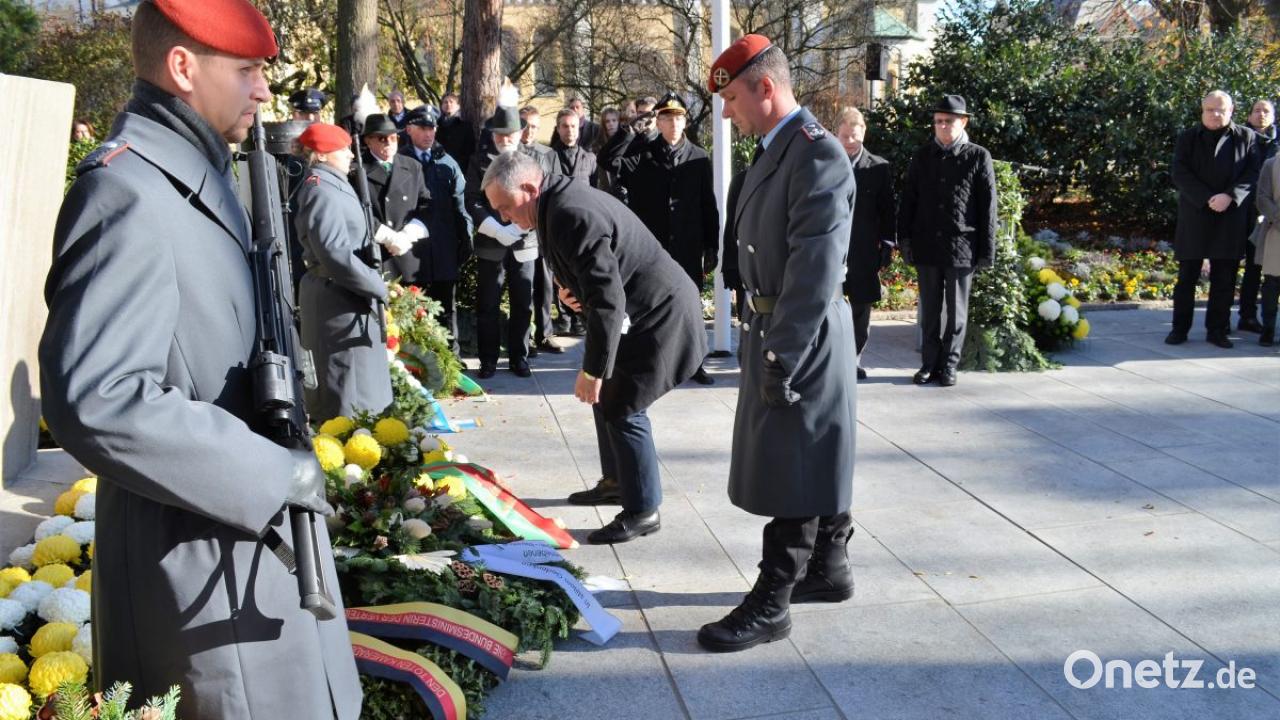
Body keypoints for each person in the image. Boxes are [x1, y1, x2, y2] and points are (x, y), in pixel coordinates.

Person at [38, 1, 361, 716]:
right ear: (183, 68)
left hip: (244, 552)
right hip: (198, 565)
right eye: (246, 70)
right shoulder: (126, 190)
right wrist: (270, 471)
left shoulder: (203, 173)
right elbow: (98, 395)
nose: (264, 90)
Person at [697, 35, 857, 653]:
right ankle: (829, 568)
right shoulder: (780, 148)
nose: (728, 112)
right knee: (809, 452)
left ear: (766, 87)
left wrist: (781, 352)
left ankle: (773, 601)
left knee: (798, 463)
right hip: (778, 324)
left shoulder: (816, 154)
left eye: (733, 97)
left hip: (802, 330)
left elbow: (813, 270)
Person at [482, 151, 707, 543]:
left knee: (624, 404)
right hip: (639, 309)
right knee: (609, 398)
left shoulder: (570, 211)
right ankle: (618, 481)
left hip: (661, 313)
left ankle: (643, 510)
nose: (504, 217)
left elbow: (608, 298)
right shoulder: (554, 205)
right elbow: (597, 276)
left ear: (531, 188)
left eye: (505, 206)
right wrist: (576, 295)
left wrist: (592, 370)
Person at [294, 122, 394, 418]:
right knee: (347, 395)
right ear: (322, 155)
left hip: (347, 296)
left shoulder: (333, 183)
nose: (351, 155)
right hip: (338, 301)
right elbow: (334, 253)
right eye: (343, 149)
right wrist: (376, 285)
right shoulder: (320, 190)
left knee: (361, 390)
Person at [618, 92, 718, 385]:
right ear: (657, 122)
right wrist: (633, 130)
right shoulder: (641, 155)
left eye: (678, 118)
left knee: (691, 306)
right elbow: (610, 162)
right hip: (654, 247)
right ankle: (656, 363)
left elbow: (707, 204)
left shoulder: (699, 157)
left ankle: (695, 362)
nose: (673, 124)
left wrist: (712, 244)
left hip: (688, 245)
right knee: (651, 305)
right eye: (666, 118)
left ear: (685, 122)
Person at [899, 94, 995, 386]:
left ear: (962, 122)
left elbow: (988, 206)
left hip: (961, 247)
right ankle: (929, 364)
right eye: (938, 121)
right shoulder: (923, 155)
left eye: (948, 121)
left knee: (956, 313)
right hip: (927, 244)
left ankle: (949, 365)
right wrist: (904, 239)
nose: (942, 126)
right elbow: (908, 200)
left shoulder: (978, 156)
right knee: (929, 310)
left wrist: (986, 251)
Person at [1167, 90, 1261, 348]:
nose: (1215, 114)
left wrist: (1230, 196)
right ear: (1202, 111)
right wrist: (1208, 198)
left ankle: (1217, 330)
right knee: (1187, 277)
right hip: (1195, 215)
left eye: (1221, 109)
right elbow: (1180, 172)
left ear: (1231, 111)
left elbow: (1253, 172)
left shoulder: (1246, 137)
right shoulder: (1188, 137)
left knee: (1225, 278)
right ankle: (1179, 329)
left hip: (1230, 217)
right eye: (1210, 109)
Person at [465, 101, 541, 378]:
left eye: (509, 133)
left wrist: (520, 229)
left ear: (520, 133)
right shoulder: (479, 160)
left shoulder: (534, 159)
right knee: (488, 304)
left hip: (526, 240)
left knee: (523, 302)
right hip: (491, 242)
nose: (504, 139)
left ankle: (519, 357)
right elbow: (472, 201)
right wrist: (498, 229)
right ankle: (488, 359)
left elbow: (540, 199)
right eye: (499, 134)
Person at [399, 105, 474, 354]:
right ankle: (417, 360)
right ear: (409, 129)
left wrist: (467, 239)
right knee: (413, 307)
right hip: (412, 250)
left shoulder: (447, 161)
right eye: (422, 128)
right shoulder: (400, 162)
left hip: (443, 247)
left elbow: (461, 205)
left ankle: (451, 358)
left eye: (432, 128)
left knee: (447, 306)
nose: (428, 133)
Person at [835, 106, 896, 380]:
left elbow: (887, 210)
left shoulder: (879, 167)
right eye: (845, 136)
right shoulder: (824, 164)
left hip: (863, 250)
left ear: (864, 133)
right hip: (831, 250)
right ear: (836, 135)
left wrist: (887, 243)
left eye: (854, 135)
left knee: (861, 309)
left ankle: (853, 359)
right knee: (830, 307)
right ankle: (831, 358)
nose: (849, 141)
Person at [351, 111, 430, 296]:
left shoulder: (412, 166)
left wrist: (408, 234)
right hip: (378, 254)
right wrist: (388, 237)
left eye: (393, 138)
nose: (389, 143)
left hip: (407, 253)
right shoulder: (356, 172)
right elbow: (356, 211)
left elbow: (426, 204)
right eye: (382, 138)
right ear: (368, 141)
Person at [518, 105, 567, 358]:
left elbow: (557, 188)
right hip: (519, 229)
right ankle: (524, 339)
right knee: (523, 287)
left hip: (544, 228)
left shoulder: (548, 154)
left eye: (535, 126)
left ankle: (545, 334)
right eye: (525, 124)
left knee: (545, 284)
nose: (529, 130)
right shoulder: (511, 153)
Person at [1240, 99, 1277, 333]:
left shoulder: (1278, 143)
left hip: (1271, 215)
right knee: (1241, 265)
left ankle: (1259, 319)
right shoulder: (1240, 138)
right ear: (1249, 115)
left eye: (1266, 111)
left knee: (1261, 266)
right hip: (1242, 209)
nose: (1261, 114)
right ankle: (1246, 315)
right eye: (1257, 110)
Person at [1253, 146, 1280, 346]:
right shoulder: (1271, 164)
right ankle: (1268, 330)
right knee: (1271, 284)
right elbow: (1262, 198)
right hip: (1276, 232)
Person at [551, 107, 598, 184]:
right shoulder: (547, 158)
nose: (570, 130)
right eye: (565, 126)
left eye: (573, 126)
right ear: (558, 129)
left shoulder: (590, 159)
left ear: (578, 129)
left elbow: (593, 191)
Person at [437, 92, 476, 172]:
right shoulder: (436, 125)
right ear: (441, 106)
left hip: (459, 168)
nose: (448, 104)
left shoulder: (465, 126)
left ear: (458, 106)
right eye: (445, 102)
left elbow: (470, 150)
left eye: (451, 102)